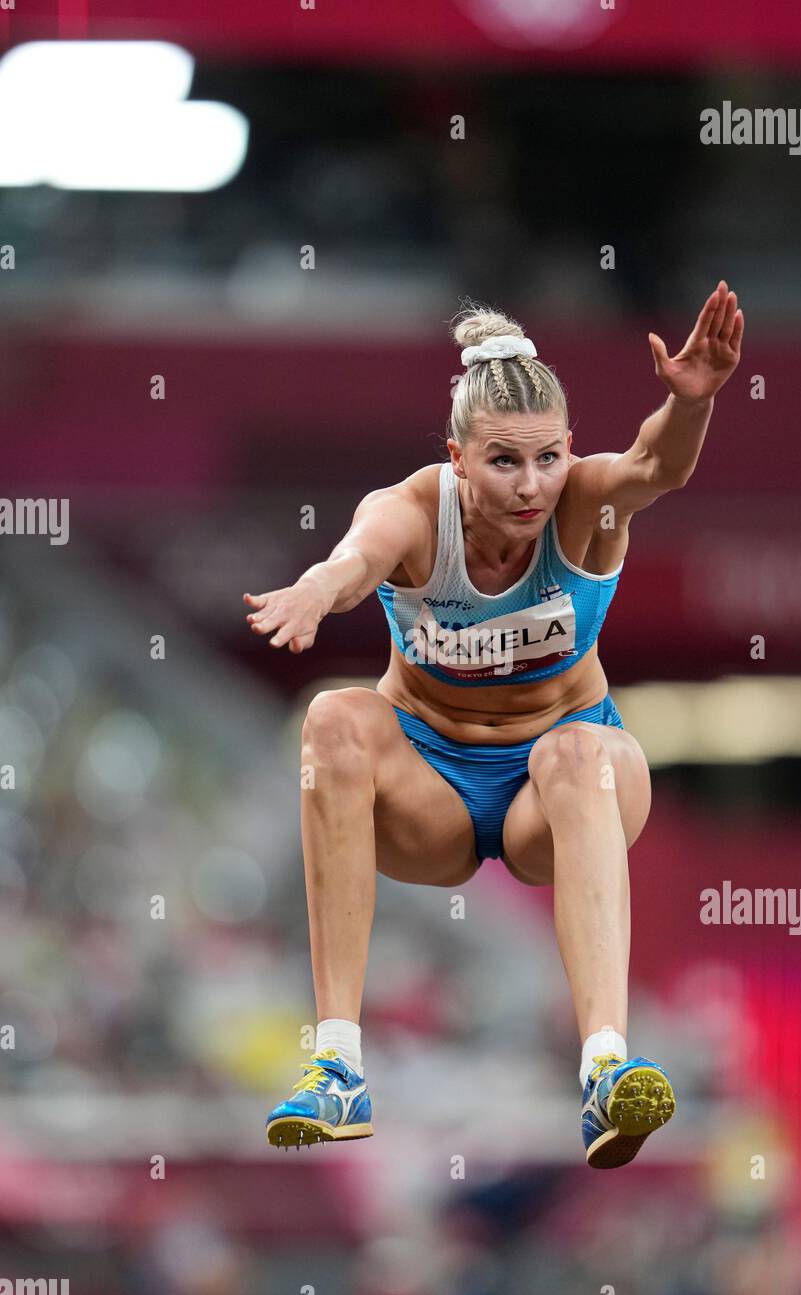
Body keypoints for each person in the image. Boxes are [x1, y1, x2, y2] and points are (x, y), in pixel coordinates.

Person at [245, 283, 744, 1168]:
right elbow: (355, 558)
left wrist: (690, 401)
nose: (531, 485)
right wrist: (317, 592)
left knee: (578, 750)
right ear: (458, 459)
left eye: (548, 458)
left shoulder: (585, 504)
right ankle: (337, 1066)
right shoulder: (412, 510)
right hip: (428, 794)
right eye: (505, 463)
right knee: (332, 719)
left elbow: (653, 467)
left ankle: (604, 1070)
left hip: (558, 797)